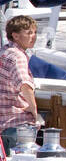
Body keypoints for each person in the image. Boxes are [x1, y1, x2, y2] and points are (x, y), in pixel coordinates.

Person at [0, 15, 43, 149]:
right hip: (18, 126)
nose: (33, 36)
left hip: (4, 125)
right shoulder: (18, 56)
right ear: (15, 36)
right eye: (29, 33)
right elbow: (24, 83)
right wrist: (33, 108)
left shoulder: (4, 52)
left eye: (35, 32)